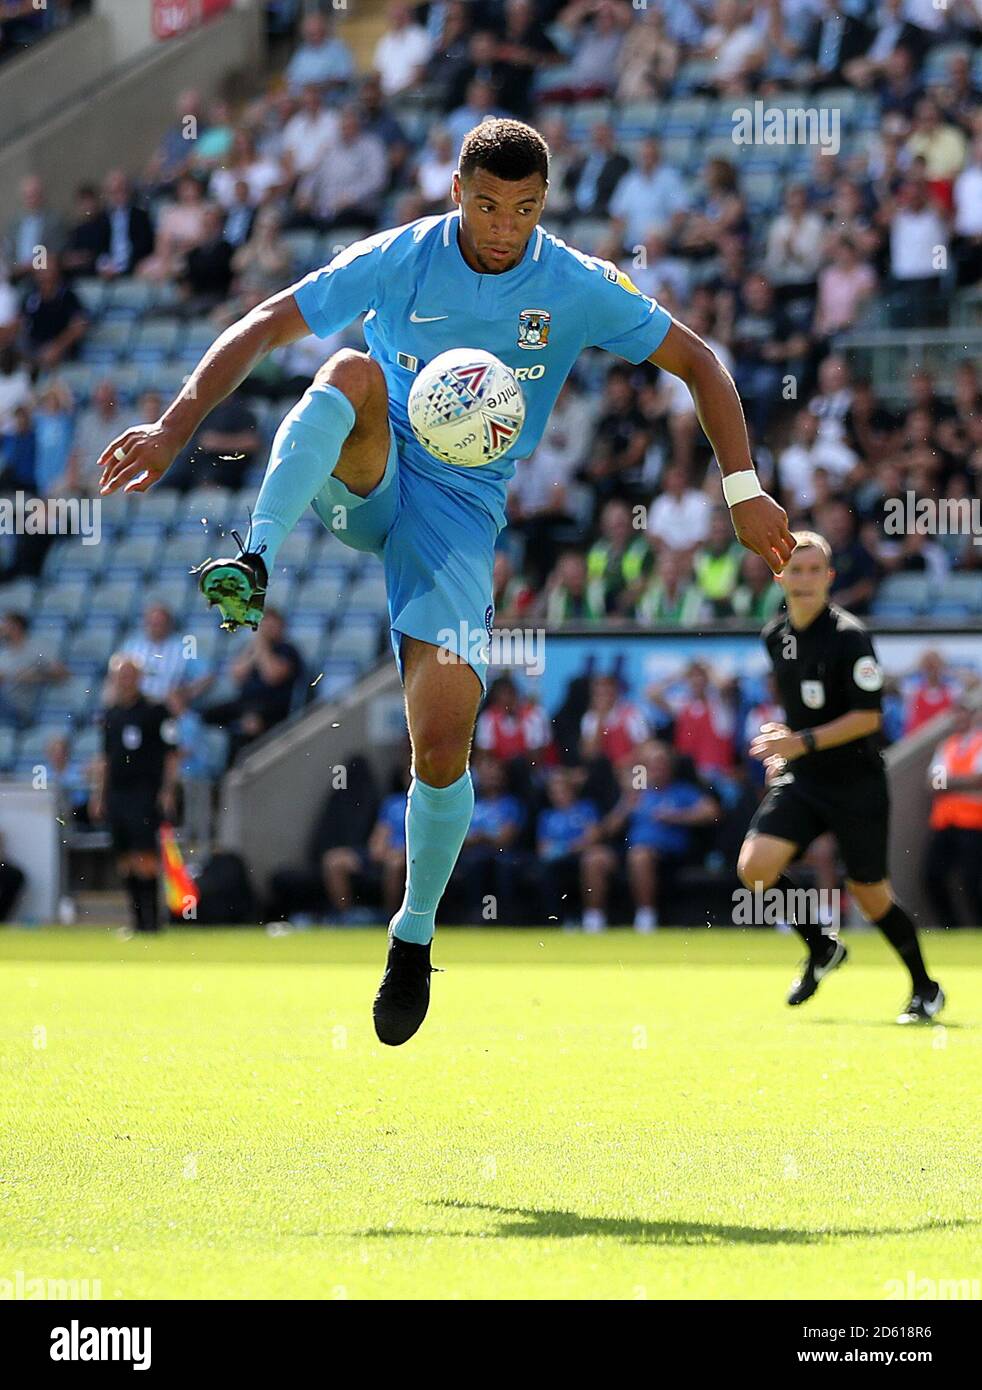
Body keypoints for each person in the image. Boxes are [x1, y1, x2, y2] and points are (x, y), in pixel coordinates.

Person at [98, 117, 794, 1045]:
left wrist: (742, 488)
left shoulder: (578, 285)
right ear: (457, 191)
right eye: (488, 204)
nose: (505, 226)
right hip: (370, 469)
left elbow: (699, 361)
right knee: (348, 367)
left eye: (526, 209)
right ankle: (254, 556)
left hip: (461, 519)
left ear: (545, 206)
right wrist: (175, 428)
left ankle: (412, 935)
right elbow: (270, 321)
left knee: (440, 742)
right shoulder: (402, 257)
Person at [737, 531, 944, 1023]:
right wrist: (784, 741)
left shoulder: (850, 637)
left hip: (856, 782)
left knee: (870, 895)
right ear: (779, 575)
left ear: (829, 578)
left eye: (814, 570)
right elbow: (800, 710)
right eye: (795, 569)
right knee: (755, 868)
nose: (804, 579)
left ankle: (925, 987)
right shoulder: (775, 636)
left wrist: (799, 742)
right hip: (805, 777)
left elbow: (868, 718)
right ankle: (821, 946)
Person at [89, 654, 180, 935]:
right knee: (125, 858)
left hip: (144, 792)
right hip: (117, 793)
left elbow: (171, 755)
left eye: (130, 674)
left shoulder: (156, 710)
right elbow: (105, 758)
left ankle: (152, 922)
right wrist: (98, 796)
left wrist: (167, 791)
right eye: (120, 675)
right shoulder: (111, 714)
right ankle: (136, 921)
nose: (125, 680)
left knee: (146, 856)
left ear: (139, 678)